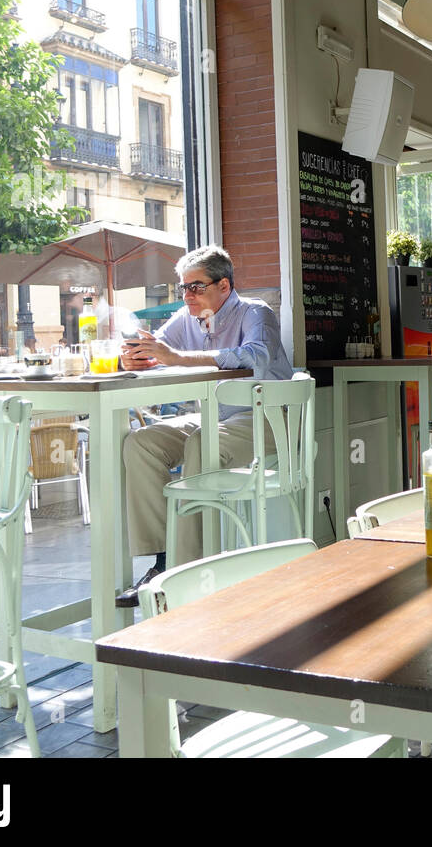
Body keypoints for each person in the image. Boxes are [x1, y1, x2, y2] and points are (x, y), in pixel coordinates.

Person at [115, 245, 293, 607]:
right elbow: (159, 349)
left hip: (266, 417)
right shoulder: (187, 317)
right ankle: (164, 559)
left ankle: (190, 570)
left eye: (196, 287)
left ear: (224, 286)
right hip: (216, 416)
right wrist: (135, 358)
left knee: (201, 442)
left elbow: (256, 357)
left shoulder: (255, 313)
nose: (187, 296)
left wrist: (178, 358)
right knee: (141, 443)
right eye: (183, 287)